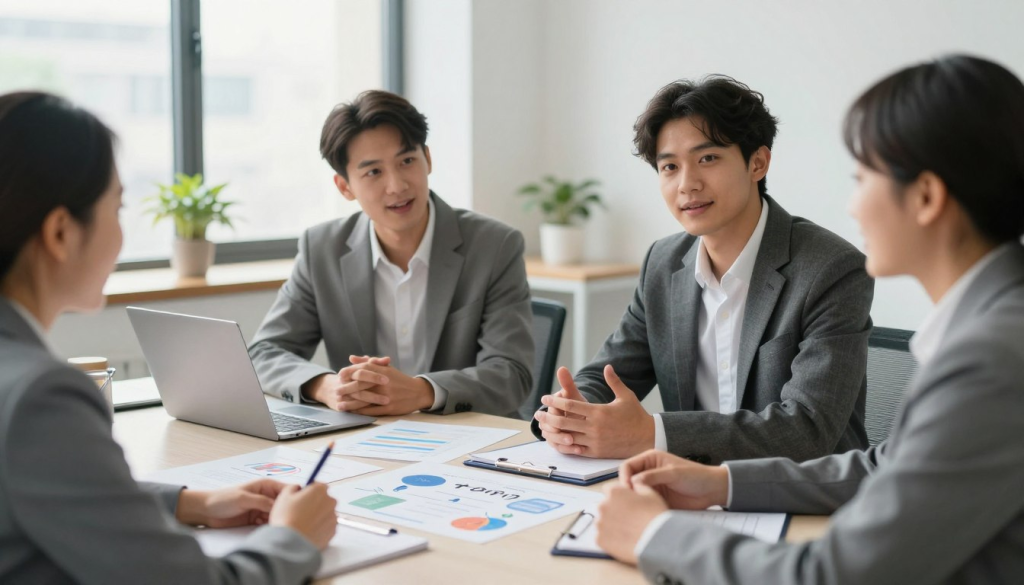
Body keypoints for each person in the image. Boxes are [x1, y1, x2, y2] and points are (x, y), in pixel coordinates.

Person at [596, 55, 1024, 584]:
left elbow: (831, 576)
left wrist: (652, 536)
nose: (853, 206)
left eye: (862, 178)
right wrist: (722, 483)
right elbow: (886, 463)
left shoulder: (990, 358)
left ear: (927, 196)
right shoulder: (991, 328)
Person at [0, 91, 338, 584]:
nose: (122, 236)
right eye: (117, 209)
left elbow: (45, 487)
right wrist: (293, 538)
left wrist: (189, 503)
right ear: (60, 233)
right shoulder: (41, 397)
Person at [533, 76, 874, 461]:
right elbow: (607, 375)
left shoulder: (830, 269)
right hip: (687, 484)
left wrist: (652, 433)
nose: (687, 184)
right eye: (669, 167)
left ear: (757, 163)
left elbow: (808, 429)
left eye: (707, 159)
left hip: (800, 489)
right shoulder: (663, 263)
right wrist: (571, 412)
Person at [249, 90, 533, 418]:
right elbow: (264, 352)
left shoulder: (495, 245)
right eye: (373, 172)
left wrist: (423, 392)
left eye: (407, 161)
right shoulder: (322, 249)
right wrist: (325, 386)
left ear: (428, 159)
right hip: (365, 436)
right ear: (345, 187)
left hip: (472, 435)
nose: (397, 186)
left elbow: (512, 374)